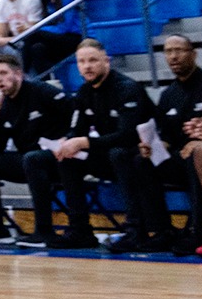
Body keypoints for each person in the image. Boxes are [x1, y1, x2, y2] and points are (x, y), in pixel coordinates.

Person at [47, 40, 160, 251]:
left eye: (92, 60)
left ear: (106, 62)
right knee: (68, 159)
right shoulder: (83, 93)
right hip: (108, 155)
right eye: (81, 62)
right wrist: (68, 140)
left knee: (119, 153)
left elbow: (128, 136)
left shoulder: (128, 88)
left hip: (143, 154)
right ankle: (80, 229)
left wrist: (84, 142)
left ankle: (136, 231)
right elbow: (77, 130)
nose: (87, 66)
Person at [0, 50, 69, 247]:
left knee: (32, 158)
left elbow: (74, 112)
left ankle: (44, 230)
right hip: (29, 160)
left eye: (4, 73)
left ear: (18, 74)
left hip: (58, 158)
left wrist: (69, 139)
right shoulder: (4, 104)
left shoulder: (41, 91)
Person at [153, 34, 202, 255]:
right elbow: (166, 136)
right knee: (137, 160)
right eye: (168, 52)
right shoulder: (168, 94)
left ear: (194, 53)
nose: (173, 56)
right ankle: (160, 231)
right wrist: (154, 145)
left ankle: (198, 231)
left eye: (179, 50)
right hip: (179, 158)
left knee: (196, 155)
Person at [22, 0, 83, 74]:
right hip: (58, 38)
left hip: (75, 37)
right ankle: (45, 85)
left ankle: (21, 74)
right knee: (37, 49)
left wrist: (36, 29)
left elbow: (65, 27)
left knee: (32, 34)